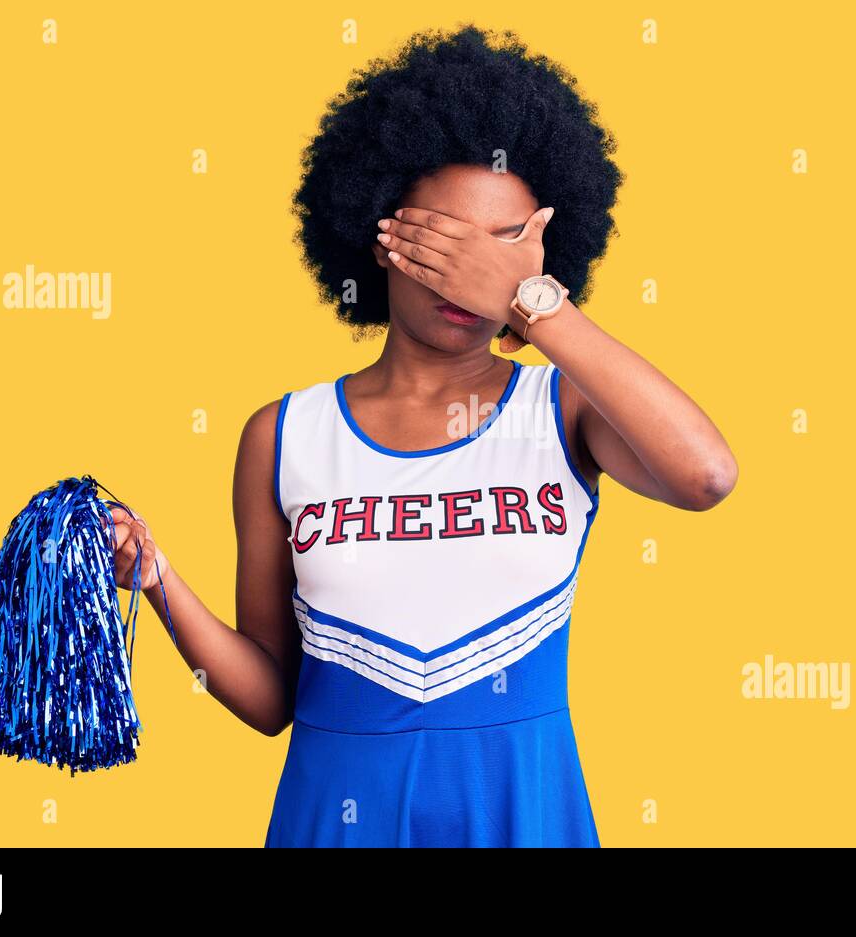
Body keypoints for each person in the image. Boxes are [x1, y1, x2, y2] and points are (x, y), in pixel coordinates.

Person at [108, 25, 737, 847]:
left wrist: (538, 307)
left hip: (524, 812)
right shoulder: (285, 434)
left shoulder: (568, 412)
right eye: (441, 243)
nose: (469, 276)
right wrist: (156, 579)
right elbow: (270, 699)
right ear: (379, 235)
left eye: (503, 248)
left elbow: (707, 475)